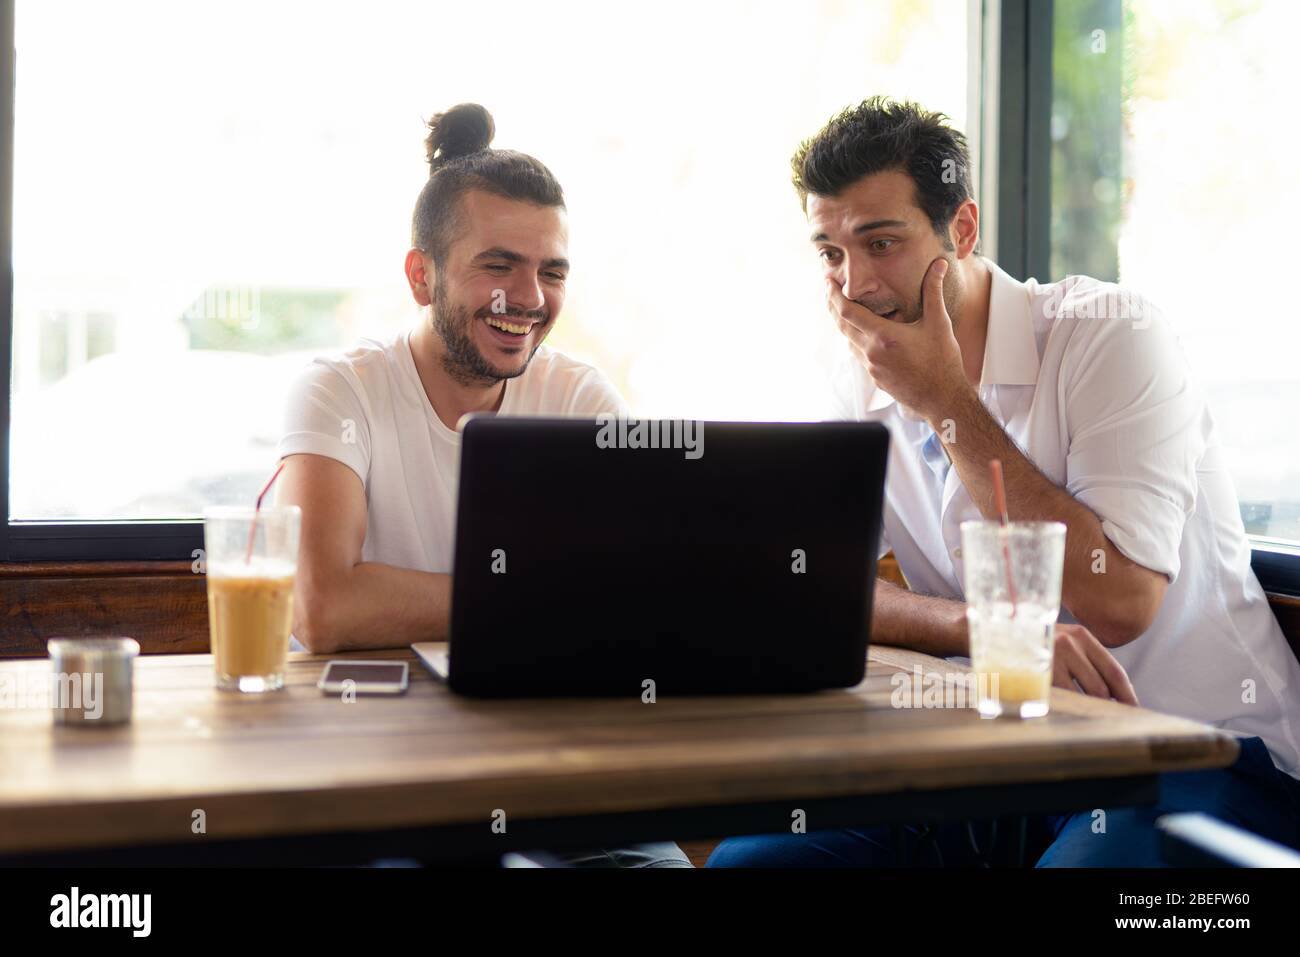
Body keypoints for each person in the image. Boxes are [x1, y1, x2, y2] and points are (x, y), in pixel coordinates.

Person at [708, 96, 1300, 867]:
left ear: (961, 229)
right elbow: (815, 583)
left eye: (881, 242)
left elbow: (1121, 601)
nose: (853, 284)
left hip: (1197, 755)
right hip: (1000, 763)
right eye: (829, 252)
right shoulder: (851, 374)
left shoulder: (1110, 336)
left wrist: (945, 402)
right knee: (755, 863)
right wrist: (976, 631)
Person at [276, 103, 690, 868]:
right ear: (421, 275)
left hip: (553, 768)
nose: (528, 296)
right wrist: (539, 593)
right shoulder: (339, 393)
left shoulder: (580, 399)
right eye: (498, 265)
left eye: (552, 271)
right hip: (382, 770)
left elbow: (638, 590)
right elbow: (325, 606)